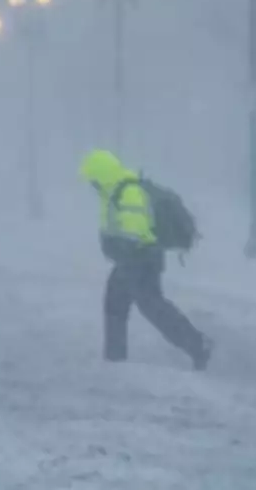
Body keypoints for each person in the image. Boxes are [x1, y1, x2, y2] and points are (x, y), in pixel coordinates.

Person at [79, 149, 213, 370]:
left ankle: (198, 345)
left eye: (93, 180)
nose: (92, 186)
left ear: (102, 174)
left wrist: (119, 247)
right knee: (121, 304)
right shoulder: (113, 193)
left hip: (139, 259)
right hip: (132, 260)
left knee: (151, 307)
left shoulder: (127, 192)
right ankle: (115, 357)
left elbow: (136, 233)